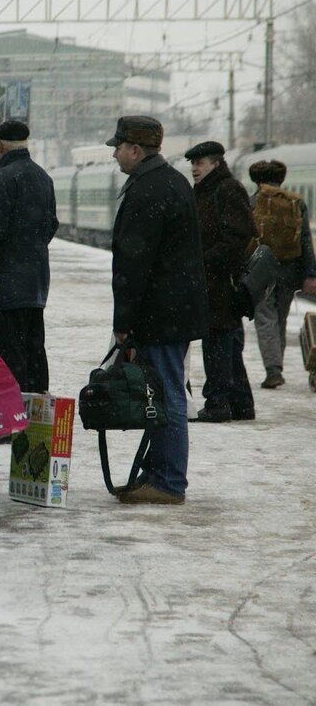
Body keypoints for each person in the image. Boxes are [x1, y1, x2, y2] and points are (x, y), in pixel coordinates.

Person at [107, 116, 207, 505]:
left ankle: (168, 482)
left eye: (118, 146)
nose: (114, 153)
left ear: (136, 149)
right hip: (172, 310)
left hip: (161, 314)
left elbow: (134, 264)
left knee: (165, 395)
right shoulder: (171, 182)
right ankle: (158, 473)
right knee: (162, 392)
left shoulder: (149, 189)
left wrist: (123, 322)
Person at [0, 120, 59, 394]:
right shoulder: (44, 178)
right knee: (34, 352)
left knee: (9, 357)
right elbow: (51, 226)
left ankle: (13, 424)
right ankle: (37, 420)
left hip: (6, 286)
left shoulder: (0, 181)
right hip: (36, 285)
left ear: (0, 146)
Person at [186, 141, 255, 422]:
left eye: (199, 163)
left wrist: (206, 260)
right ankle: (240, 403)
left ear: (215, 163)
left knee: (218, 341)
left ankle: (218, 403)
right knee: (225, 341)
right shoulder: (205, 191)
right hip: (212, 280)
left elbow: (239, 237)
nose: (194, 168)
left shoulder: (227, 189)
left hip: (222, 282)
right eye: (192, 163)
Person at [246, 159, 316, 388]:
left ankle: (273, 369)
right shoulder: (296, 203)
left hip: (261, 269)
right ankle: (277, 365)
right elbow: (305, 239)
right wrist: (310, 273)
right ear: (282, 179)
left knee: (265, 318)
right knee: (280, 320)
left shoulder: (253, 201)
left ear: (256, 180)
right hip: (289, 268)